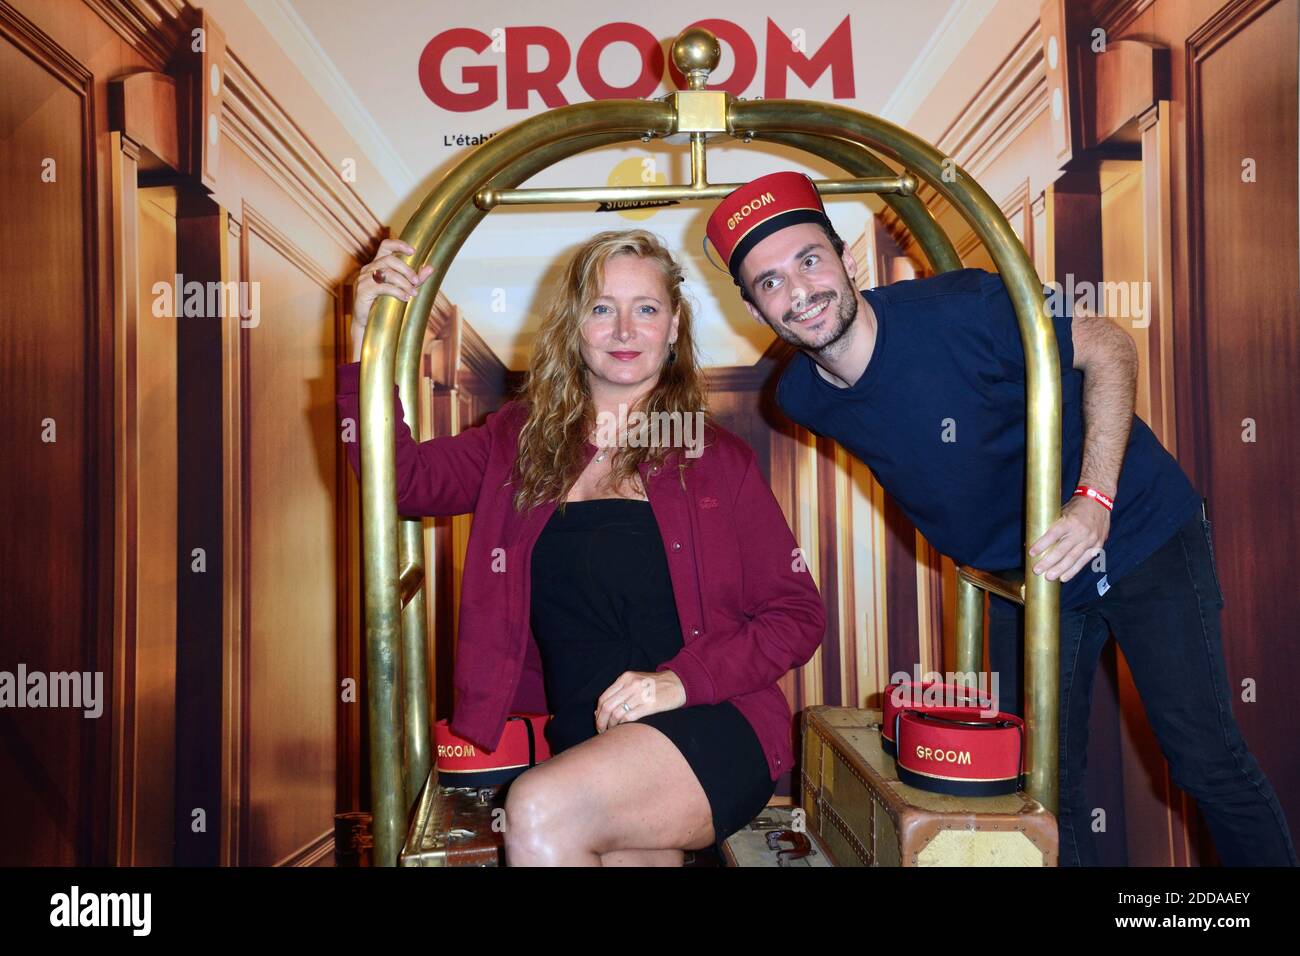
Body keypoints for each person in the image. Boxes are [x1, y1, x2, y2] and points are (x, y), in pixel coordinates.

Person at [705, 170, 1297, 867]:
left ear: (845, 258)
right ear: (752, 306)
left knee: (1204, 758)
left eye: (809, 259)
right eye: (769, 281)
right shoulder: (801, 396)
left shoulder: (965, 309)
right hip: (1022, 572)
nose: (798, 290)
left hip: (1134, 529)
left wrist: (1094, 501)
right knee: (1039, 789)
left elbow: (1109, 344)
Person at [337, 229, 825, 866]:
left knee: (537, 809)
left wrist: (680, 682)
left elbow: (797, 616)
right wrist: (363, 341)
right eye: (602, 308)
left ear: (673, 326)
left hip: (711, 725)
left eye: (646, 309)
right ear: (575, 326)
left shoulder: (717, 459)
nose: (624, 329)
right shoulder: (515, 439)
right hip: (587, 743)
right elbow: (399, 482)